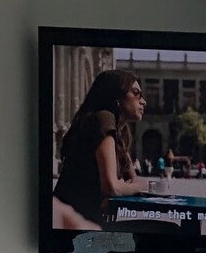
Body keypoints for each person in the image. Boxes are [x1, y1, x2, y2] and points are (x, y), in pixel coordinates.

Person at [52, 70, 149, 228]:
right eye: (136, 93)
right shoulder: (103, 118)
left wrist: (133, 185)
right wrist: (140, 187)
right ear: (117, 96)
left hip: (92, 221)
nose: (143, 101)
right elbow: (111, 187)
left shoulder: (119, 132)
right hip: (74, 224)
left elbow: (132, 177)